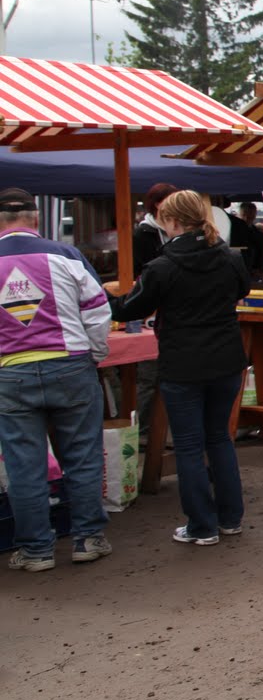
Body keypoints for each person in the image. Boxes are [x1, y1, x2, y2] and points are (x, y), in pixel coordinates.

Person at [109, 190, 249, 546]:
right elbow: (242, 290)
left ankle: (202, 525)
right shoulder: (229, 258)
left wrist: (102, 298)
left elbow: (130, 309)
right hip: (226, 360)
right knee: (219, 439)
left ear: (171, 221)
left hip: (182, 363)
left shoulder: (162, 266)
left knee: (188, 445)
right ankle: (230, 518)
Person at [0, 187, 112, 571]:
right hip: (70, 366)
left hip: (9, 373)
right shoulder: (66, 255)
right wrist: (94, 356)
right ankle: (87, 539)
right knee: (81, 457)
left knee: (23, 466)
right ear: (36, 218)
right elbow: (98, 311)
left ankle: (35, 551)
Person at [131, 182, 178, 449]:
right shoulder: (144, 234)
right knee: (148, 376)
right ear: (156, 204)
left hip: (171, 312)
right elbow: (141, 271)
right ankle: (144, 430)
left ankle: (163, 429)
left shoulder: (176, 233)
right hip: (150, 310)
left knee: (164, 375)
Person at [229, 200, 263, 279]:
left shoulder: (259, 235)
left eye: (250, 215)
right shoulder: (233, 233)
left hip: (255, 272)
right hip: (237, 271)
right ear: (239, 215)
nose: (246, 218)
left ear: (254, 215)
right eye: (244, 215)